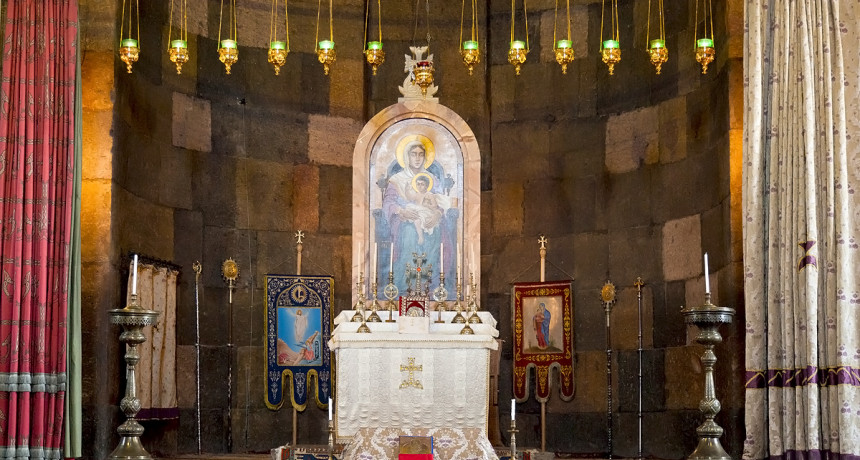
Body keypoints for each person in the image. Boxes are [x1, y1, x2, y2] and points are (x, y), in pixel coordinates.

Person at [382, 139, 454, 293]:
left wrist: (437, 214)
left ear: (425, 157)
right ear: (407, 156)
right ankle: (405, 286)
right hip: (404, 222)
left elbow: (440, 202)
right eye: (413, 154)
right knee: (409, 234)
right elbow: (388, 202)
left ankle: (431, 285)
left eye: (421, 155)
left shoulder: (432, 179)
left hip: (429, 221)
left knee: (435, 234)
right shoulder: (397, 180)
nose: (417, 158)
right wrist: (401, 211)